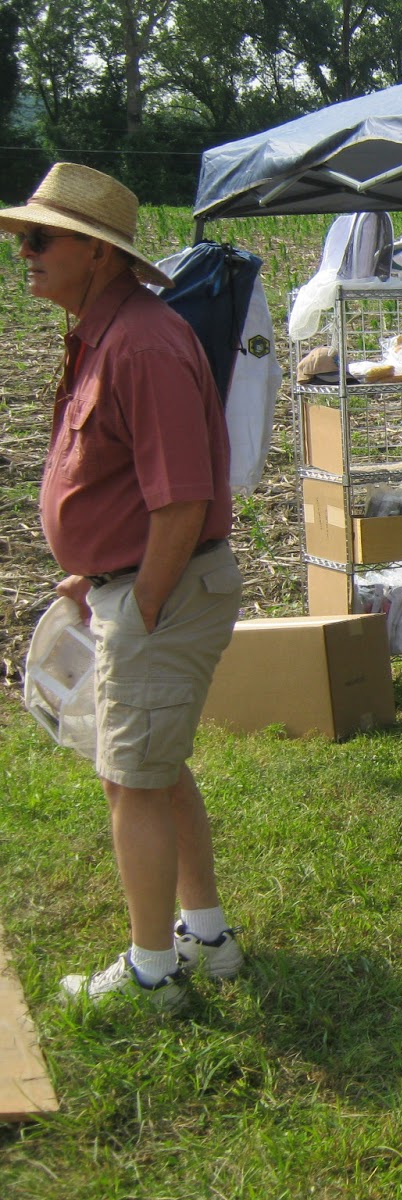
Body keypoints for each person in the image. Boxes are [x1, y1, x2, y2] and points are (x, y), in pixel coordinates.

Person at [1, 163, 244, 1010]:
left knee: (132, 781)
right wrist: (97, 568)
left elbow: (182, 502)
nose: (24, 254)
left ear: (97, 253)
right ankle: (207, 937)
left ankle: (153, 973)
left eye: (40, 239)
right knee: (153, 767)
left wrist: (139, 606)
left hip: (161, 590)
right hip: (137, 582)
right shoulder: (107, 333)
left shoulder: (140, 345)